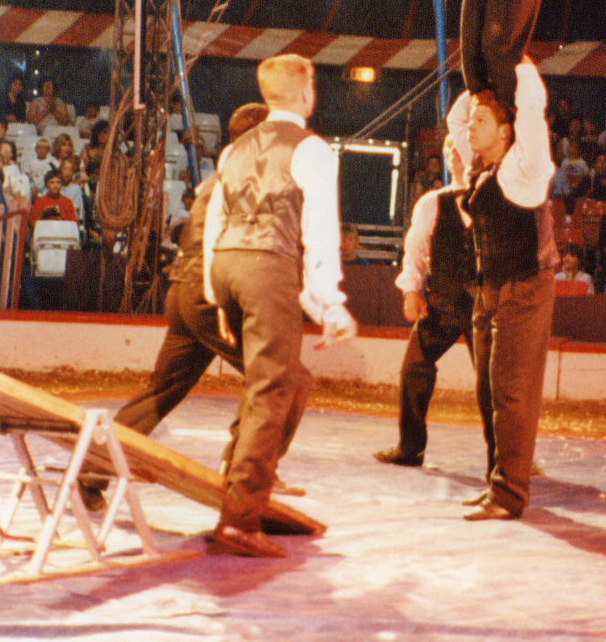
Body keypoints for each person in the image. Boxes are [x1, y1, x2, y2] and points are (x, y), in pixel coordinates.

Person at [77, 105, 284, 513]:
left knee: (161, 391)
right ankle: (247, 468)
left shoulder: (217, 177)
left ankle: (89, 473)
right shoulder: (250, 178)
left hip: (184, 293)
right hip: (210, 296)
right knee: (280, 378)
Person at [205, 54, 357, 557]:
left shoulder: (235, 149)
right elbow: (319, 234)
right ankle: (239, 520)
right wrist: (331, 303)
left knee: (275, 383)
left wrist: (217, 295)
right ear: (306, 91)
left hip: (228, 265)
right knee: (274, 391)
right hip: (266, 263)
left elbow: (214, 225)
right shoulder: (312, 149)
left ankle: (247, 489)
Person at [448, 57, 557, 521]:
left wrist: (515, 70)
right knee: (488, 391)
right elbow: (455, 119)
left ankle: (510, 492)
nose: (469, 127)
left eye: (482, 121)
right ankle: (498, 478)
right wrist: (479, 87)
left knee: (511, 392)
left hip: (523, 289)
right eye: (473, 120)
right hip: (489, 289)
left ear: (506, 132)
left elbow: (531, 113)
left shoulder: (525, 170)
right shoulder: (482, 167)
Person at [375, 136, 492, 471]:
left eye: (461, 148)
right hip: (441, 303)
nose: (454, 154)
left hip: (482, 308)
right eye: (449, 149)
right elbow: (414, 253)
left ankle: (506, 458)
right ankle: (409, 448)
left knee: (491, 383)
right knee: (414, 368)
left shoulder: (494, 196)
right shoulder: (431, 202)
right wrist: (411, 291)